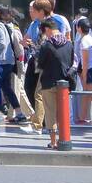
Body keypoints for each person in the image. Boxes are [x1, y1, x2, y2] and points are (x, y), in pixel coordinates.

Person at [35, 19, 74, 149]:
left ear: (47, 30)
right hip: (64, 83)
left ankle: (53, 141)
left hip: (48, 82)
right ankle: (64, 138)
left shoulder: (46, 45)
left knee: (50, 112)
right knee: (62, 112)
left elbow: (40, 64)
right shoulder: (69, 44)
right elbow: (71, 62)